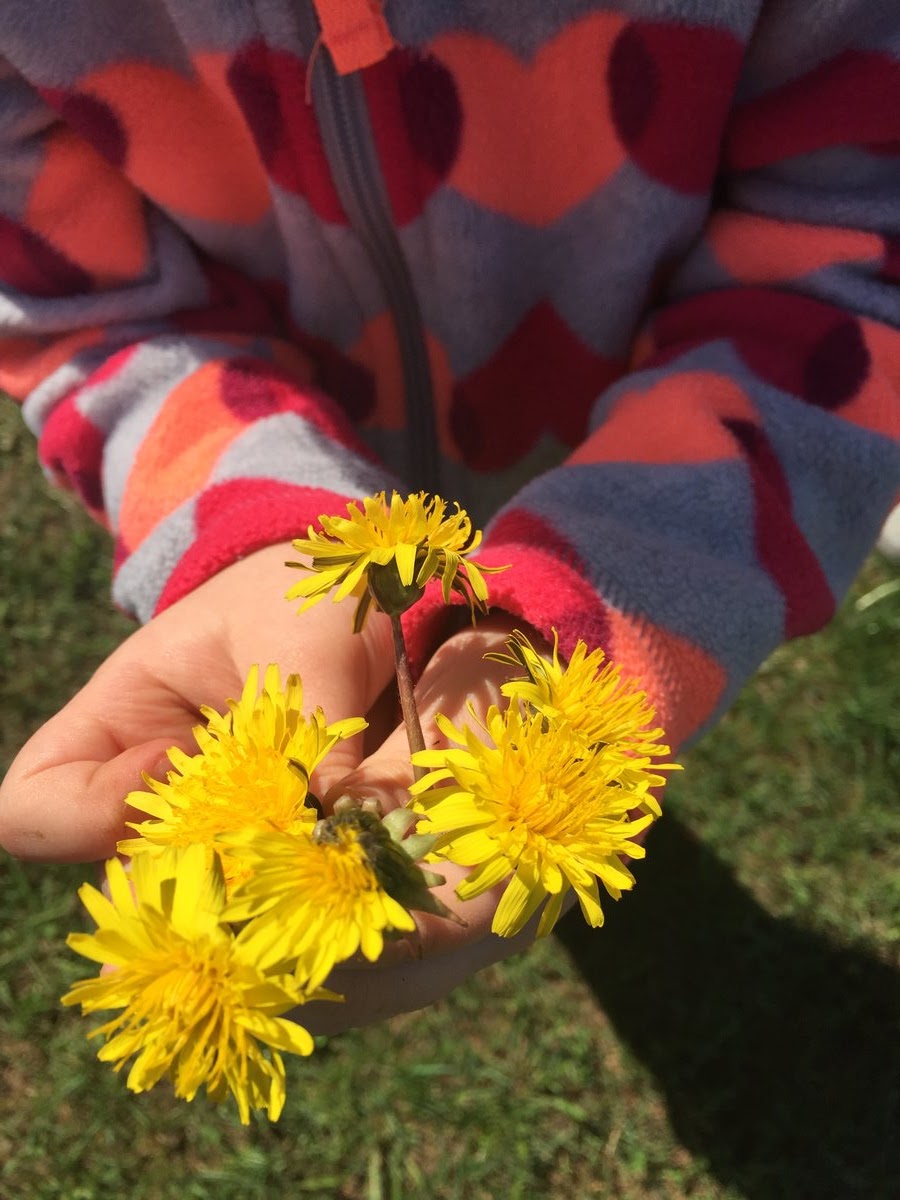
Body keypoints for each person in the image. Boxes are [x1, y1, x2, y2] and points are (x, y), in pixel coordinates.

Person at [0, 1, 898, 1031]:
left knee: (509, 729)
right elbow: (90, 317)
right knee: (415, 731)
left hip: (626, 408)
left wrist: (590, 595)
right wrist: (261, 530)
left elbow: (849, 284)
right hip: (299, 447)